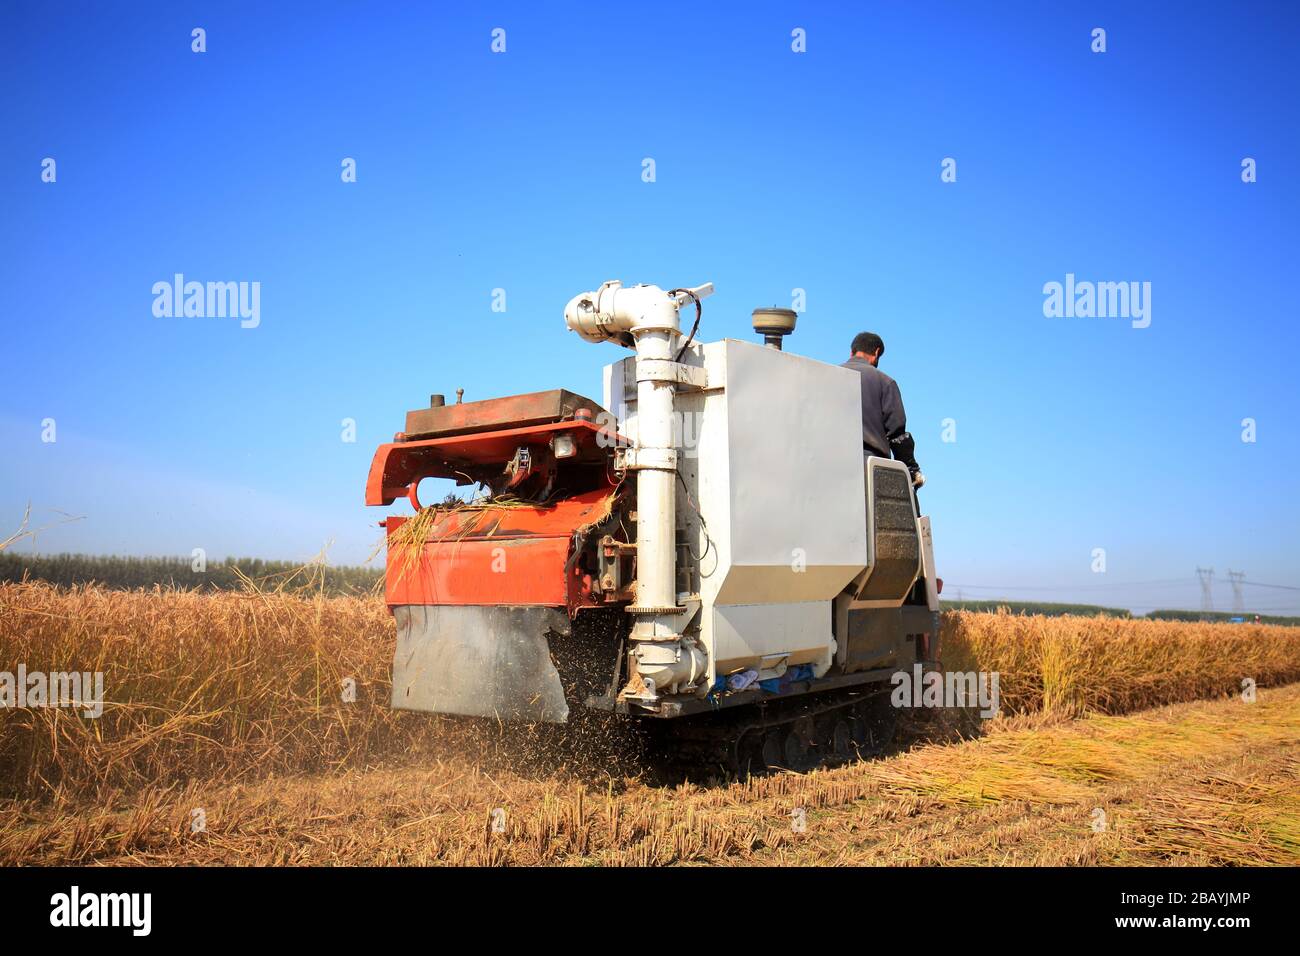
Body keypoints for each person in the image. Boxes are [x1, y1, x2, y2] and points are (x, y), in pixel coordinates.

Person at [842, 332, 924, 493]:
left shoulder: (829, 375)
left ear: (851, 352)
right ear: (877, 352)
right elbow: (897, 436)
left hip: (830, 465)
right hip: (872, 472)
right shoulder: (885, 382)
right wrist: (912, 471)